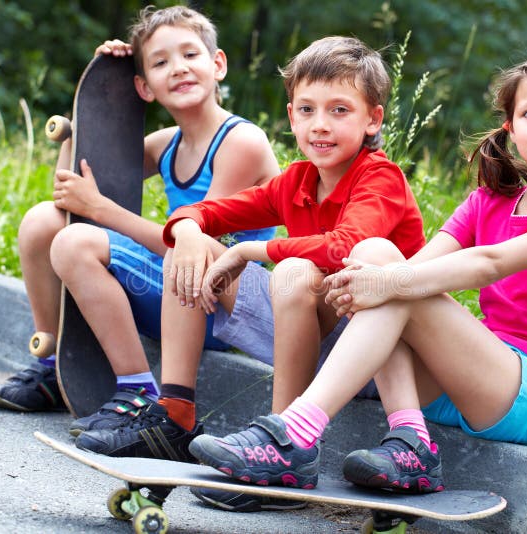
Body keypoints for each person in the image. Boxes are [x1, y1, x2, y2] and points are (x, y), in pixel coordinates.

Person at [187, 53, 527, 495]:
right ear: (510, 129)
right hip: (463, 378)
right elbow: (411, 268)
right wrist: (363, 282)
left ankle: (294, 434)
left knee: (389, 275)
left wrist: (382, 282)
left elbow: (489, 264)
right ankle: (408, 441)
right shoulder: (489, 200)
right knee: (379, 254)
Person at [74, 35, 426, 507]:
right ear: (291, 116)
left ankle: (284, 452)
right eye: (307, 110)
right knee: (193, 251)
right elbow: (207, 212)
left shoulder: (380, 178)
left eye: (339, 110)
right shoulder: (296, 181)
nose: (320, 125)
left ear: (372, 119)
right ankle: (174, 412)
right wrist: (192, 232)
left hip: (370, 355)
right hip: (314, 337)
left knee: (294, 269)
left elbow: (345, 247)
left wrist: (251, 250)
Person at [0, 5, 280, 438]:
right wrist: (98, 89)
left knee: (76, 242)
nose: (177, 69)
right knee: (42, 222)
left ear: (218, 65)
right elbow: (71, 190)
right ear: (144, 86)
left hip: (217, 304)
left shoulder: (241, 142)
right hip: (172, 289)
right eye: (160, 62)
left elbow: (197, 251)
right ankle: (53, 365)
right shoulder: (166, 144)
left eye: (190, 55)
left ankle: (137, 392)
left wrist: (102, 210)